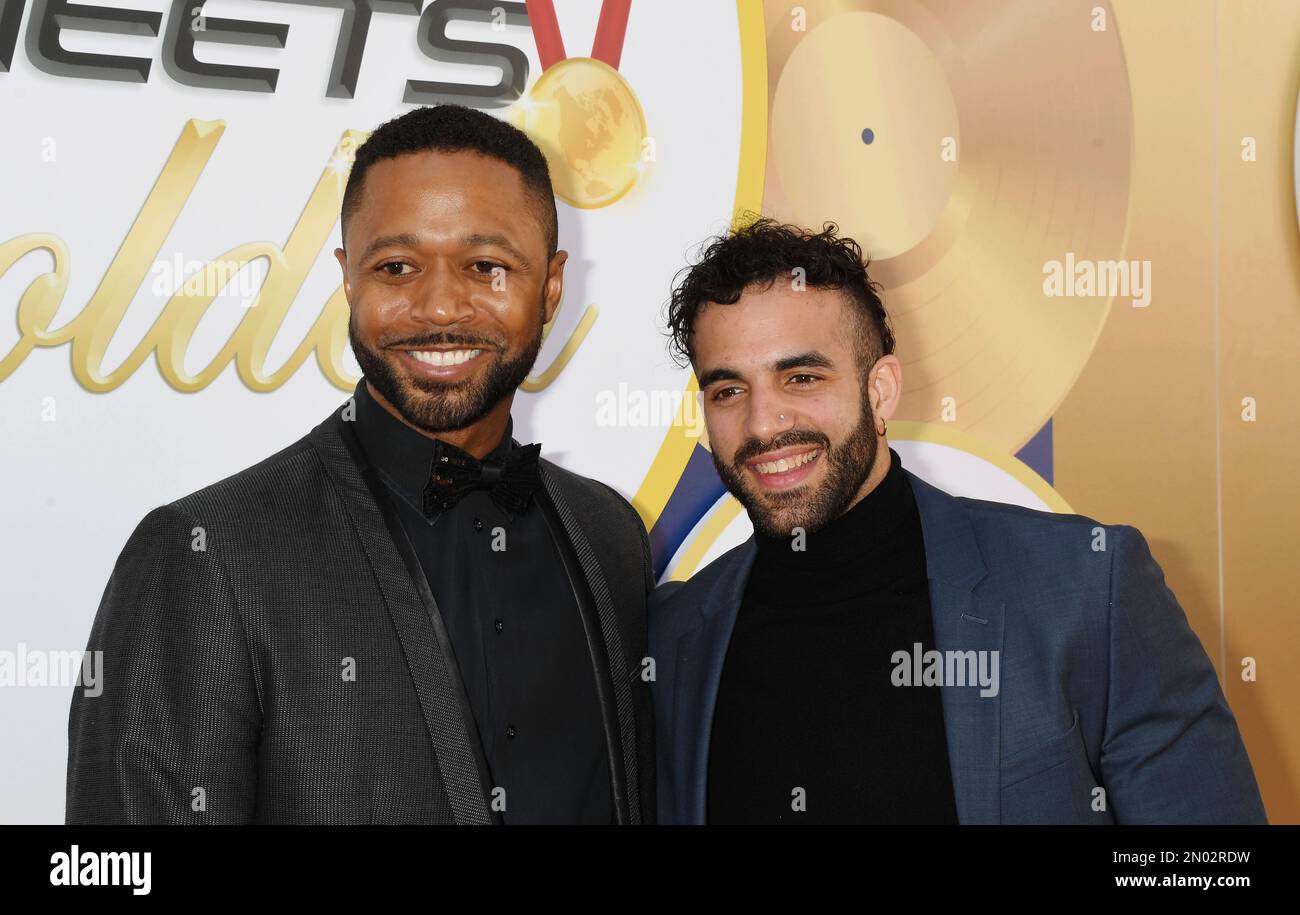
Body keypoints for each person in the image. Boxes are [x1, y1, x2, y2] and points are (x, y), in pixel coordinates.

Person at [66, 105, 655, 825]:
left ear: (551, 287)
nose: (439, 305)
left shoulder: (610, 535)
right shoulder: (205, 556)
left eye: (486, 266)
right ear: (348, 278)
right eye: (396, 266)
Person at [649, 217, 1267, 824]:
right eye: (728, 391)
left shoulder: (1087, 589)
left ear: (881, 390)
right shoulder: (674, 641)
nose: (762, 424)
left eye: (802, 377)